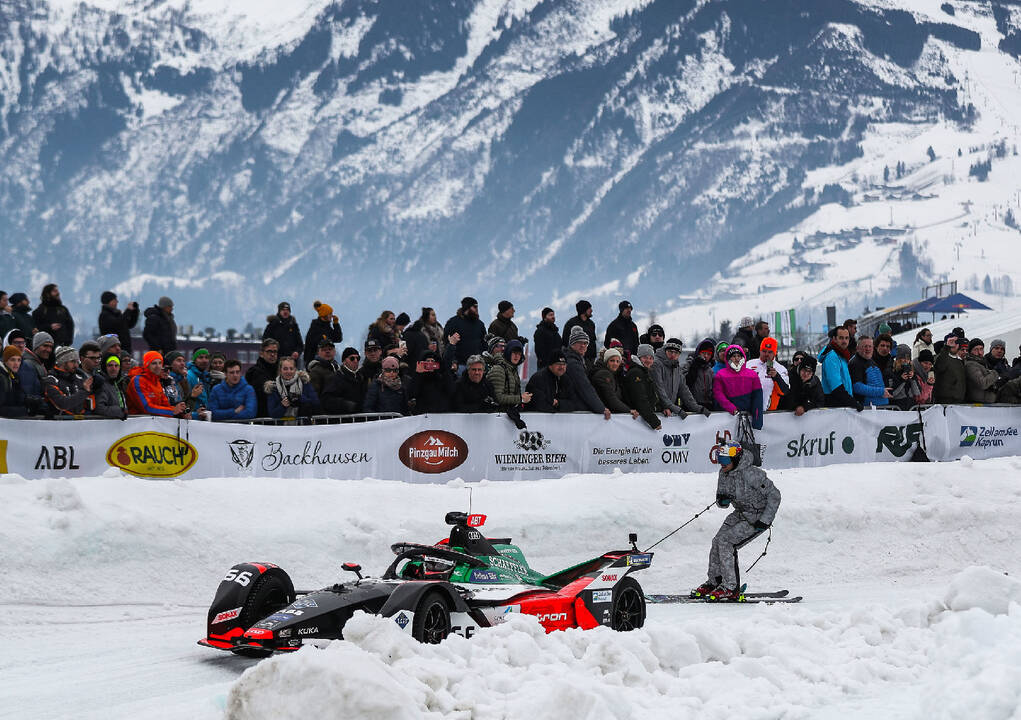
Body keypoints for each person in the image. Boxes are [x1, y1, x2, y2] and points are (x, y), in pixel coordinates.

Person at [691, 442, 781, 601]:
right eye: (720, 460)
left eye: (725, 461)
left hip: (757, 517)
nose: (722, 464)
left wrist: (765, 520)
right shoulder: (724, 474)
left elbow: (774, 495)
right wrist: (722, 501)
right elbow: (720, 502)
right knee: (717, 541)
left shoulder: (752, 474)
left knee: (726, 542)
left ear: (736, 459)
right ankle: (715, 581)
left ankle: (731, 587)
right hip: (740, 513)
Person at [652, 338, 709, 418]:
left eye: (676, 353)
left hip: (668, 410)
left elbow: (684, 390)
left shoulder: (676, 367)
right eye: (670, 352)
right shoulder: (656, 364)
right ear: (665, 350)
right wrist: (675, 409)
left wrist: (697, 407)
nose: (673, 355)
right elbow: (659, 389)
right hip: (656, 410)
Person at [564, 326, 611, 419]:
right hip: (573, 410)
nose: (583, 346)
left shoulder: (578, 360)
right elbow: (585, 387)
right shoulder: (573, 363)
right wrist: (601, 408)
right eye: (579, 343)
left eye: (585, 343)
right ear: (572, 344)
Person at [712, 346, 763, 429]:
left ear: (743, 357)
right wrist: (731, 408)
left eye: (739, 356)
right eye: (733, 356)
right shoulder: (720, 374)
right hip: (726, 418)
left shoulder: (752, 375)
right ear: (728, 358)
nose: (737, 359)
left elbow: (758, 398)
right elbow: (718, 394)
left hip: (748, 420)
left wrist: (757, 421)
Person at [126, 351, 186, 417]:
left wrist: (180, 412)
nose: (158, 366)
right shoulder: (138, 380)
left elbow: (165, 404)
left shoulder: (156, 381)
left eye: (160, 363)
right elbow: (147, 408)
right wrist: (172, 411)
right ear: (147, 365)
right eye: (154, 363)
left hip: (153, 423)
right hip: (137, 423)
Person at [487, 339, 531, 428]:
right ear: (508, 353)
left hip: (505, 416)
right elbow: (497, 398)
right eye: (514, 353)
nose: (517, 356)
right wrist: (520, 399)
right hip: (494, 418)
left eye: (519, 354)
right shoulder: (498, 369)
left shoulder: (512, 370)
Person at [624, 344, 666, 430]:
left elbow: (652, 396)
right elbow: (640, 399)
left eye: (651, 358)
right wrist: (654, 421)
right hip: (634, 420)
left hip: (642, 417)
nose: (648, 360)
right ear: (639, 357)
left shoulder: (644, 372)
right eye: (645, 357)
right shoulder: (636, 373)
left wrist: (662, 408)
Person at [43, 347, 92, 416]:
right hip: (58, 423)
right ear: (62, 362)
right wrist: (84, 391)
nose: (76, 365)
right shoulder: (51, 380)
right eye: (72, 361)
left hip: (81, 423)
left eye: (77, 361)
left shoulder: (80, 378)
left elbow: (90, 405)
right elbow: (62, 404)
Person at [590, 348, 637, 418]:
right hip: (602, 417)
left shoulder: (613, 374)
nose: (615, 363)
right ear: (606, 361)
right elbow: (611, 399)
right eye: (612, 361)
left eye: (618, 361)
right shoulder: (604, 374)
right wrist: (629, 410)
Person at [745, 337, 789, 412]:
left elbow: (784, 392)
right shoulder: (749, 364)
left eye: (770, 352)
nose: (766, 354)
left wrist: (776, 377)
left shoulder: (781, 369)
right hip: (749, 411)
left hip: (769, 413)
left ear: (775, 353)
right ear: (760, 351)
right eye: (764, 351)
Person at [818, 326, 857, 409]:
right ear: (834, 339)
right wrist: (851, 402)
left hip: (841, 402)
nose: (844, 341)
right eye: (841, 338)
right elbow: (835, 385)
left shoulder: (842, 355)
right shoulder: (832, 356)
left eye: (846, 338)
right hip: (835, 403)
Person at [444, 297, 487, 371]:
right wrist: (453, 361)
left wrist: (484, 359)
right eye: (475, 306)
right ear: (467, 307)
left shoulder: (480, 324)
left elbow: (484, 343)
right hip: (460, 366)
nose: (477, 309)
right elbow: (447, 342)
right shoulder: (453, 322)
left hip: (478, 366)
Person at [408, 349, 455, 414]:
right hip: (424, 414)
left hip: (441, 413)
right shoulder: (419, 377)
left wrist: (444, 371)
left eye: (432, 361)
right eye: (427, 361)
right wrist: (418, 374)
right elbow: (411, 394)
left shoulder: (441, 376)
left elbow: (451, 390)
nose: (430, 364)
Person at [320, 347, 366, 414]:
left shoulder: (361, 377)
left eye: (358, 358)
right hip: (342, 421)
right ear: (344, 361)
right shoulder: (335, 378)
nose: (355, 361)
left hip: (360, 420)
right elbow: (326, 400)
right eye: (352, 358)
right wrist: (346, 405)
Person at [848, 336, 890, 408]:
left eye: (870, 346)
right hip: (868, 409)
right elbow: (857, 387)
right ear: (858, 348)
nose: (868, 349)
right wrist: (880, 391)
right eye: (865, 346)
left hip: (881, 406)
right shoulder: (855, 363)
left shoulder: (871, 361)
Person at [246, 339, 280, 417]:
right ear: (261, 353)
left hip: (278, 415)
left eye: (275, 351)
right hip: (261, 416)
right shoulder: (254, 372)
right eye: (269, 351)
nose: (272, 354)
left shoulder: (281, 370)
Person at [303, 300, 343, 366]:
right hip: (314, 362)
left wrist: (336, 324)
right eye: (330, 314)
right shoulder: (315, 328)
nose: (332, 316)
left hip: (325, 361)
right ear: (324, 315)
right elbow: (312, 346)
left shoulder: (327, 327)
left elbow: (338, 339)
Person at [683, 338, 717, 410]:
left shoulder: (710, 370)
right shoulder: (689, 364)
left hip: (707, 405)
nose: (706, 356)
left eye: (709, 354)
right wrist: (695, 366)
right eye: (704, 353)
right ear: (698, 353)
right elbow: (685, 383)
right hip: (691, 404)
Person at [561, 300, 597, 367]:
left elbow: (593, 341)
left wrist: (593, 356)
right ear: (583, 310)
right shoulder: (571, 323)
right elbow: (565, 342)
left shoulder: (591, 324)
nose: (591, 310)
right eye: (589, 309)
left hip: (590, 358)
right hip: (575, 359)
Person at [93, 353, 128, 419]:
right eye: (110, 365)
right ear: (104, 367)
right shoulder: (101, 384)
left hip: (117, 426)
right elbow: (99, 408)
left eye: (116, 365)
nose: (113, 369)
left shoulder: (118, 383)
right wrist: (120, 411)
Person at [933, 335, 967, 404]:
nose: (954, 345)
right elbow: (939, 367)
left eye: (956, 342)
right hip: (945, 402)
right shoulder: (941, 357)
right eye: (952, 342)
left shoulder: (960, 361)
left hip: (959, 401)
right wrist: (947, 347)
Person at [963, 339, 999, 404]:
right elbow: (983, 383)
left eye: (981, 349)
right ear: (970, 351)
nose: (979, 352)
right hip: (977, 404)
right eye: (976, 349)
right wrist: (995, 373)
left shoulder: (982, 362)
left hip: (984, 402)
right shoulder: (971, 365)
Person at [1, 345, 31, 417]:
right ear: (5, 361)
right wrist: (25, 410)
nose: (16, 363)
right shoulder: (2, 378)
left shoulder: (14, 377)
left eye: (19, 360)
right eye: (12, 360)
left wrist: (29, 401)